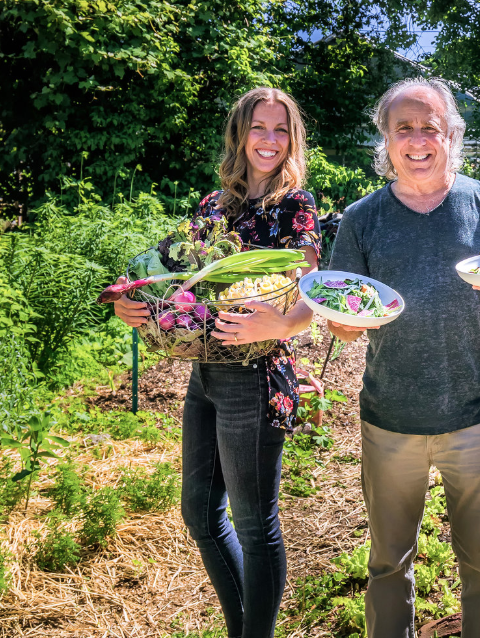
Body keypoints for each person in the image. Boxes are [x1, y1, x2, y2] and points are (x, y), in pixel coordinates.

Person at [326, 77, 480, 638]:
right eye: (403, 129)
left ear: (451, 135)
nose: (417, 140)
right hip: (389, 416)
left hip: (476, 414)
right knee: (388, 563)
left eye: (429, 127)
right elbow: (344, 320)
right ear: (386, 141)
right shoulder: (361, 218)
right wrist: (344, 323)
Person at [112, 87, 320, 638]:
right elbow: (170, 273)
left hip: (255, 378)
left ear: (292, 139)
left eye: (280, 130)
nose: (269, 140)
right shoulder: (213, 206)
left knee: (255, 526)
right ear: (240, 134)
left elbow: (312, 289)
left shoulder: (294, 206)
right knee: (201, 517)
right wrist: (136, 300)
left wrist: (285, 322)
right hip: (205, 375)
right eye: (258, 128)